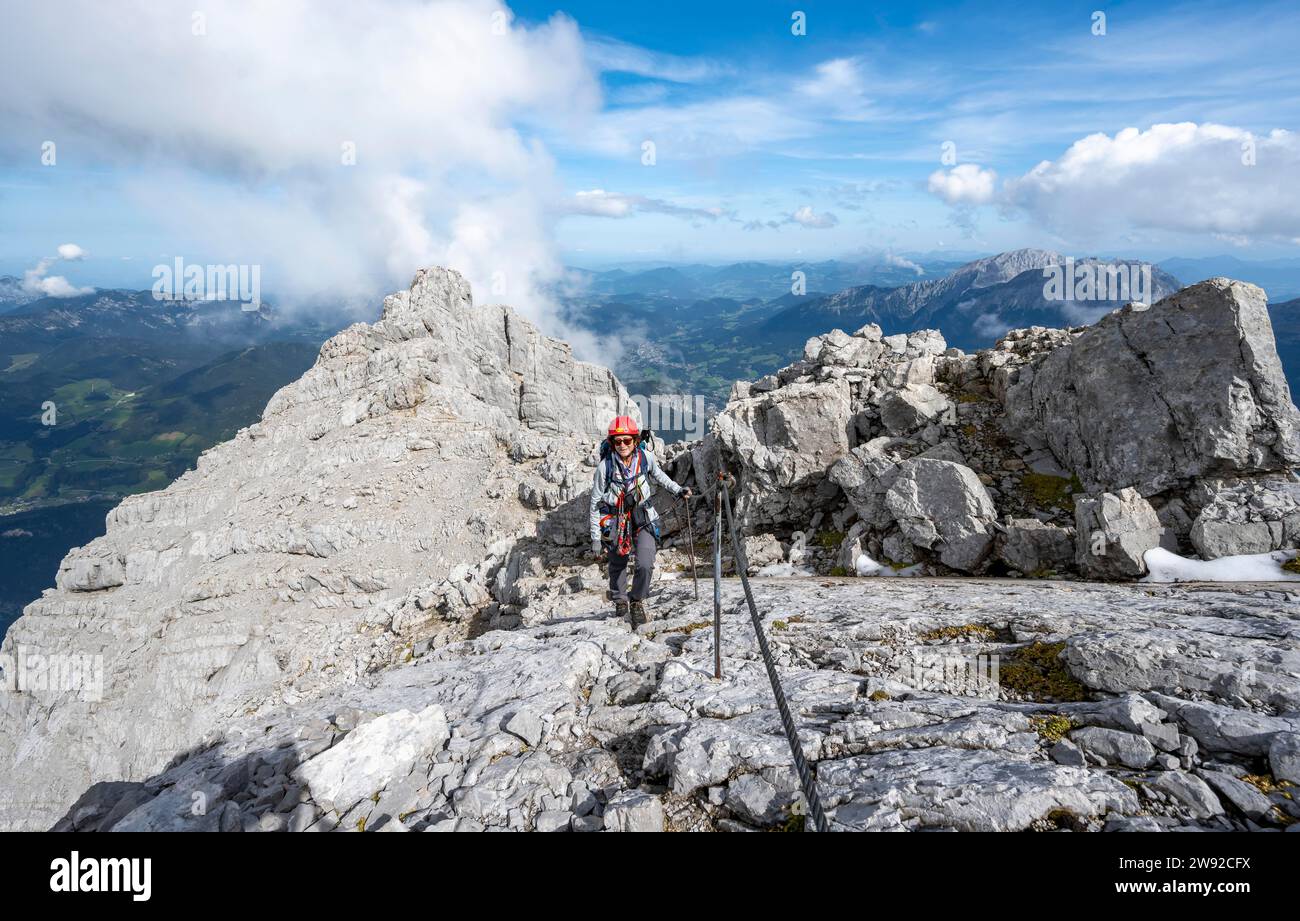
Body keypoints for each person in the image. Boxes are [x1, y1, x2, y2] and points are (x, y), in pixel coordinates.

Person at [589, 415, 691, 627]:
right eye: (618, 441)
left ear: (635, 441)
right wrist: (595, 538)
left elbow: (660, 476)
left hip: (643, 515)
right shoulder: (605, 468)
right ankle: (619, 599)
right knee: (618, 562)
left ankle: (636, 600)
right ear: (612, 443)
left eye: (627, 440)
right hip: (615, 518)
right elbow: (595, 503)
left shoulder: (645, 457)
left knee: (645, 562)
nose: (623, 445)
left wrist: (678, 490)